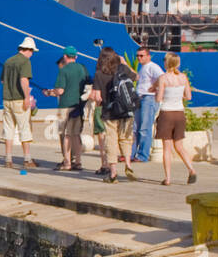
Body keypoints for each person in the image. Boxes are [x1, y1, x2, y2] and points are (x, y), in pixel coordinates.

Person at [91, 48, 138, 183]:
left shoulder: (99, 74)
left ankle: (113, 173)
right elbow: (137, 77)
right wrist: (125, 63)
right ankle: (128, 165)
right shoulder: (123, 69)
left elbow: (97, 97)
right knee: (125, 139)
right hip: (125, 110)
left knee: (111, 140)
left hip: (110, 112)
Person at [154, 53, 197, 185]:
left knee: (167, 147)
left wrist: (156, 91)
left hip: (167, 113)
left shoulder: (163, 78)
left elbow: (159, 98)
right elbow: (189, 96)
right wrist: (178, 96)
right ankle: (191, 170)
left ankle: (168, 178)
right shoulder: (183, 77)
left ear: (167, 63)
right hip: (179, 113)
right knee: (179, 146)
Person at [43, 46, 89, 170]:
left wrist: (50, 92)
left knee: (66, 135)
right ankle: (78, 162)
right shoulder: (82, 68)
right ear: (76, 56)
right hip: (78, 105)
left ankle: (67, 162)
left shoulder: (64, 70)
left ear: (65, 56)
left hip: (66, 106)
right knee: (76, 134)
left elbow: (60, 90)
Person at [0, 36, 38, 168]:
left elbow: (3, 81)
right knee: (24, 129)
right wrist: (27, 97)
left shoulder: (8, 61)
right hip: (18, 100)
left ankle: (8, 159)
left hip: (7, 99)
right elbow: (24, 80)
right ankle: (27, 159)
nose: (32, 54)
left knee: (8, 129)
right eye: (32, 51)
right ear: (28, 50)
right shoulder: (25, 62)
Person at [132, 46, 164, 162]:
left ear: (148, 56)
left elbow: (162, 77)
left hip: (148, 98)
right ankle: (132, 154)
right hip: (140, 98)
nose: (139, 58)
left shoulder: (152, 67)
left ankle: (142, 155)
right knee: (135, 127)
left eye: (142, 55)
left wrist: (154, 87)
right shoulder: (143, 68)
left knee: (145, 128)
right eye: (138, 56)